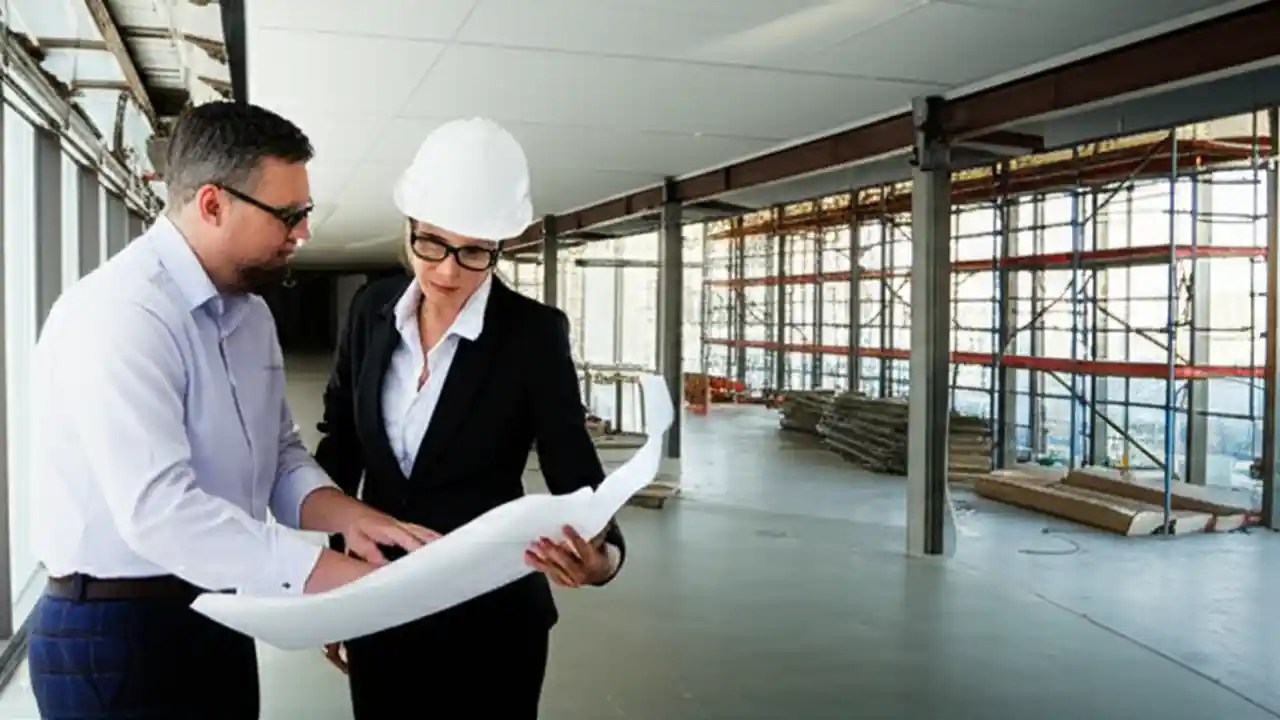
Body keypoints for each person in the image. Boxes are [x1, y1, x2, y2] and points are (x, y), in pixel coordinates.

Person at [26, 101, 437, 720]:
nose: (303, 232)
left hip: (217, 609)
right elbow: (160, 511)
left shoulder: (250, 315)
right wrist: (345, 581)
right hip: (114, 631)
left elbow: (278, 456)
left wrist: (351, 517)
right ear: (213, 204)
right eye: (288, 215)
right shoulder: (122, 314)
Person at [313, 117, 626, 718]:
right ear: (410, 227)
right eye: (431, 242)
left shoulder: (533, 334)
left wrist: (603, 556)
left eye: (475, 251)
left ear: (500, 247)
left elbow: (574, 467)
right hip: (380, 601)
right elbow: (342, 442)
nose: (448, 271)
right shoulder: (371, 310)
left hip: (492, 621)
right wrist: (334, 585)